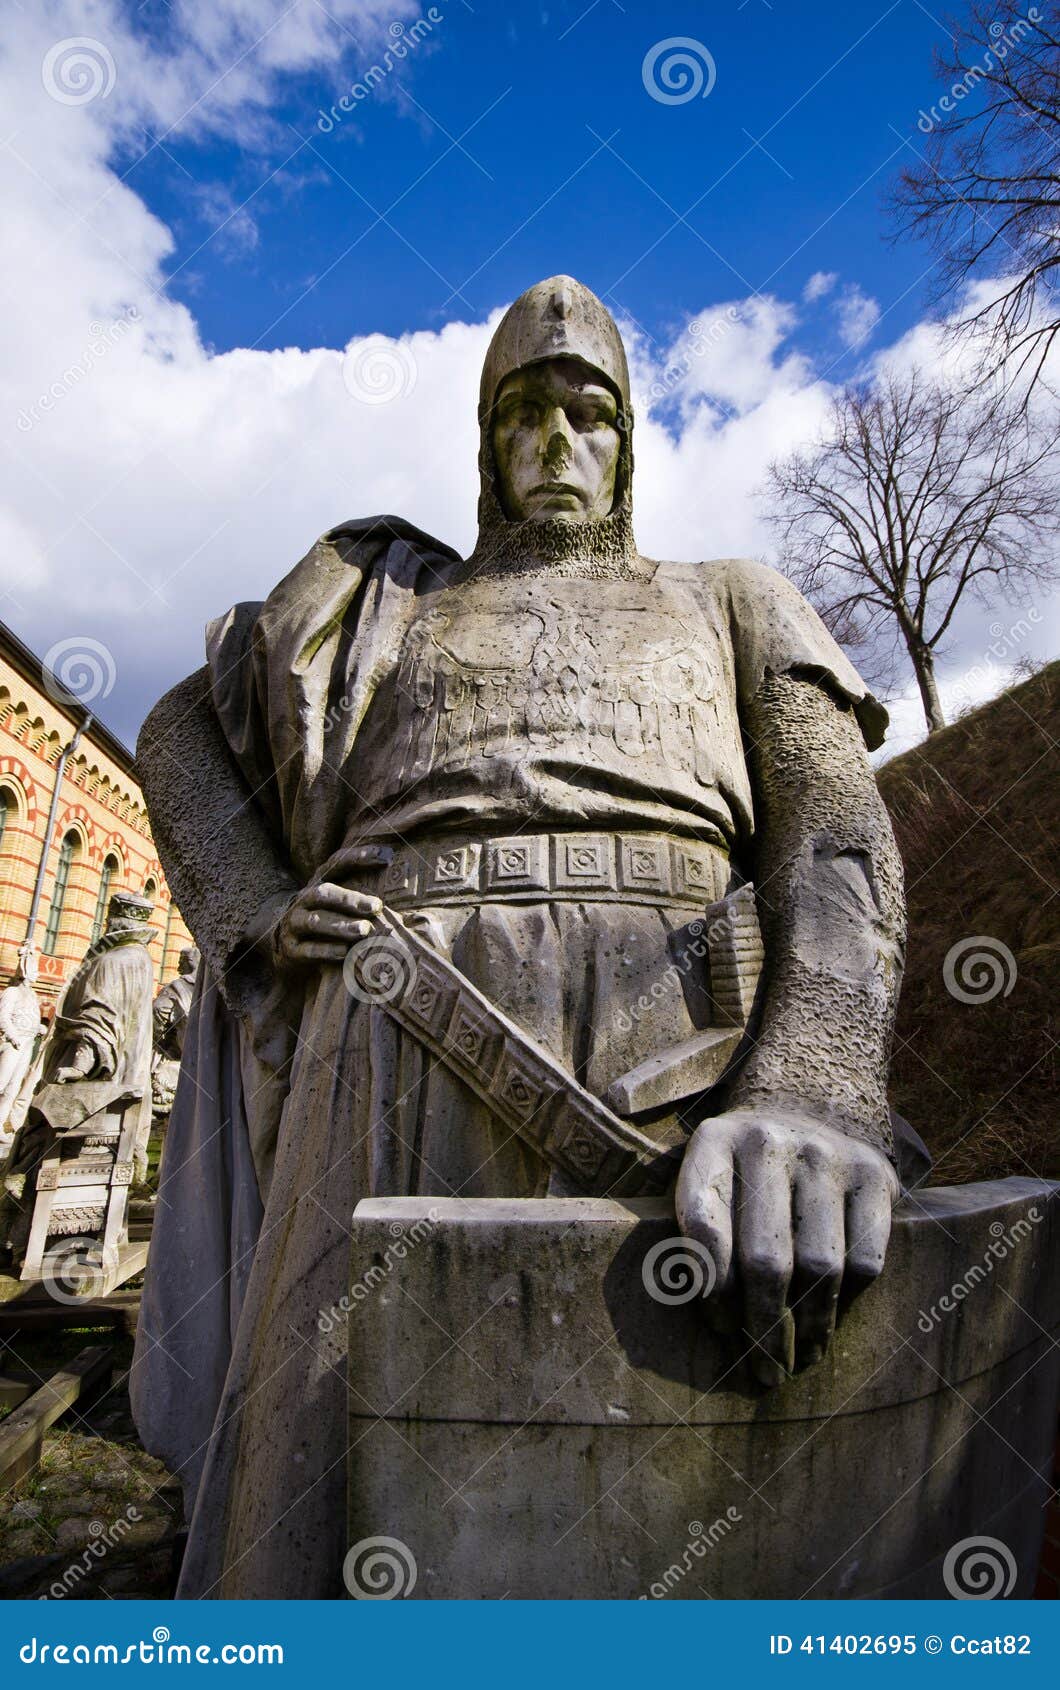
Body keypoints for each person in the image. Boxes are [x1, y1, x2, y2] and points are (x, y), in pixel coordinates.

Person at [132, 276, 907, 1598]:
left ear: (632, 439)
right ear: (485, 445)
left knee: (674, 1495)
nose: (557, 441)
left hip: (680, 1056)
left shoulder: (732, 598)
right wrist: (254, 909)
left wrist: (816, 1075)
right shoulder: (382, 606)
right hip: (385, 1045)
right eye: (523, 414)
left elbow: (836, 834)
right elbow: (174, 733)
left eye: (587, 411)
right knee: (326, 1484)